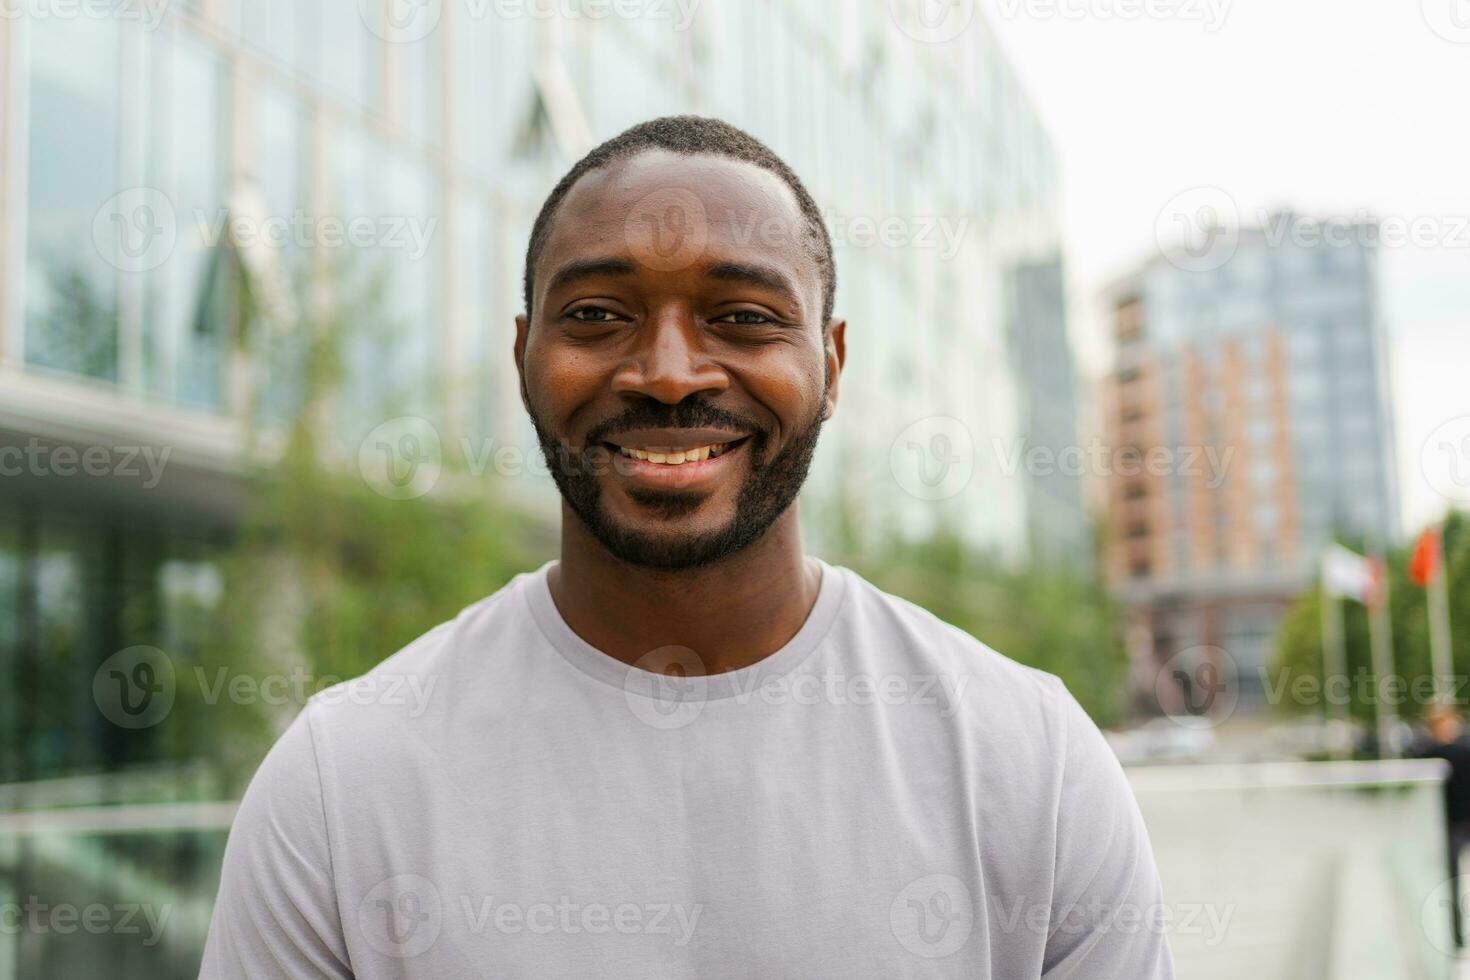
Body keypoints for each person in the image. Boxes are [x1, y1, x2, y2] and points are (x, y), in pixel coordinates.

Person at [199, 116, 1174, 978]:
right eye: (597, 316)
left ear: (829, 364)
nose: (668, 374)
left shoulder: (1031, 763)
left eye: (743, 317)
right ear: (522, 354)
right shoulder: (340, 786)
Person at [1412, 704, 1470, 948]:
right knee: (1451, 880)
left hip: (1462, 821)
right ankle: (1456, 935)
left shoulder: (1461, 750)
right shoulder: (1431, 755)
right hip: (1450, 825)